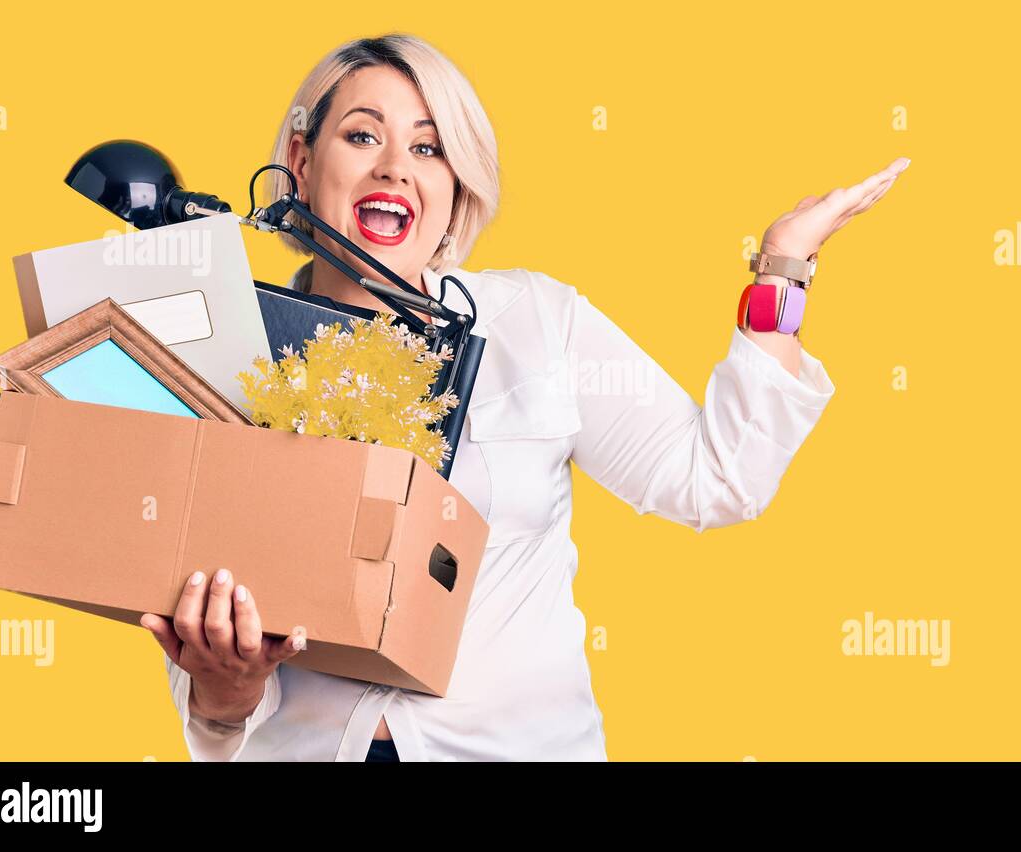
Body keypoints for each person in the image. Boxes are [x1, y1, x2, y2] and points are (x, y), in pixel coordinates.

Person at [138, 32, 909, 762]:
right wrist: (224, 691)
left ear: (453, 184)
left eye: (429, 147)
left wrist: (783, 269)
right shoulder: (225, 356)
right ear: (301, 163)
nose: (395, 169)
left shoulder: (537, 323)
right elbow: (207, 689)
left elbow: (720, 477)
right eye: (364, 136)